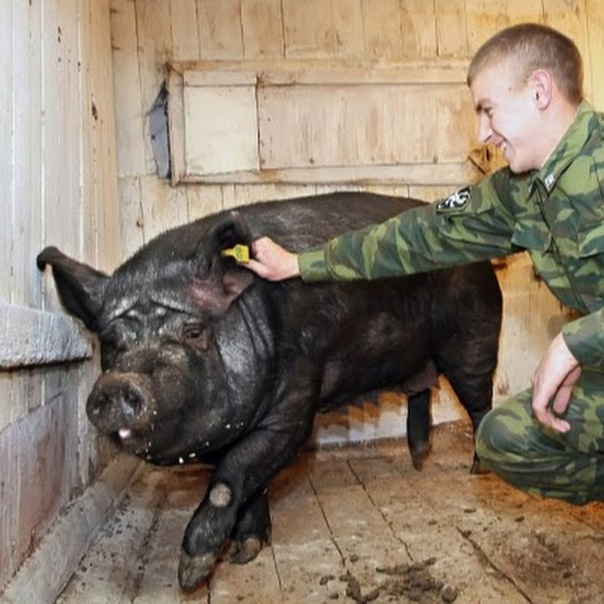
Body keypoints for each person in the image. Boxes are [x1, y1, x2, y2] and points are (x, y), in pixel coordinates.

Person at [243, 22, 604, 506]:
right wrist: (302, 263)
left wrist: (575, 343)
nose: (482, 133)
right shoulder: (523, 191)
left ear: (539, 91)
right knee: (505, 438)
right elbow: (417, 235)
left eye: (488, 110)